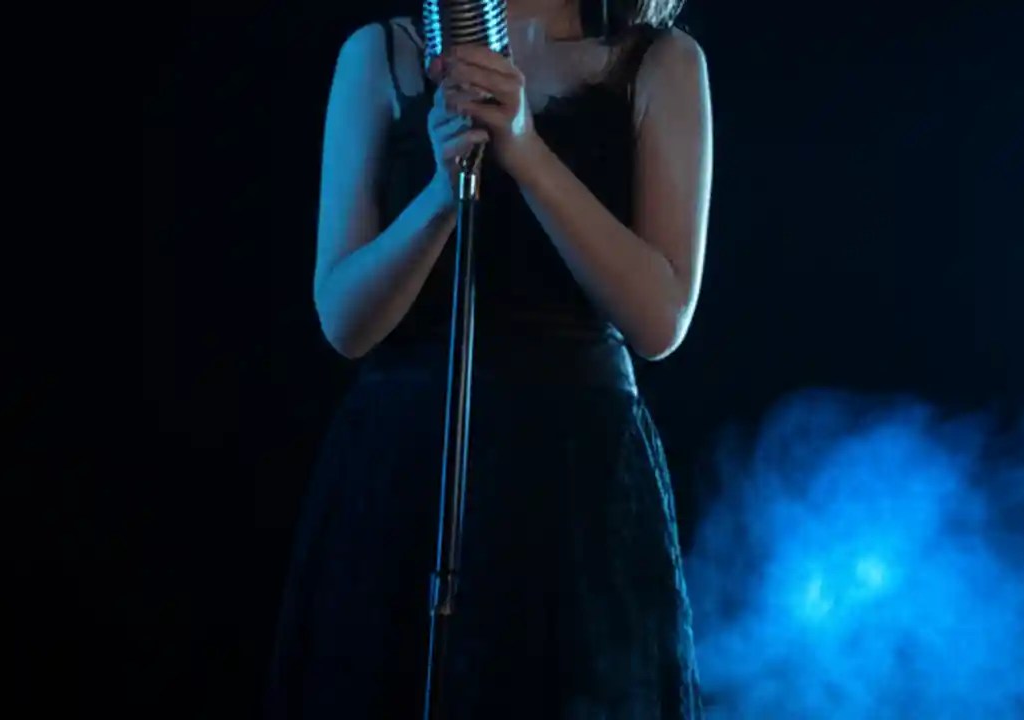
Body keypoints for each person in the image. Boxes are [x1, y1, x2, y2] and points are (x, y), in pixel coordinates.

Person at [266, 0, 712, 716]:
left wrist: (526, 152)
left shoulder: (656, 64)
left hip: (574, 486)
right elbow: (345, 320)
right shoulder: (382, 56)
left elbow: (659, 319)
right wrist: (443, 196)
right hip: (403, 469)